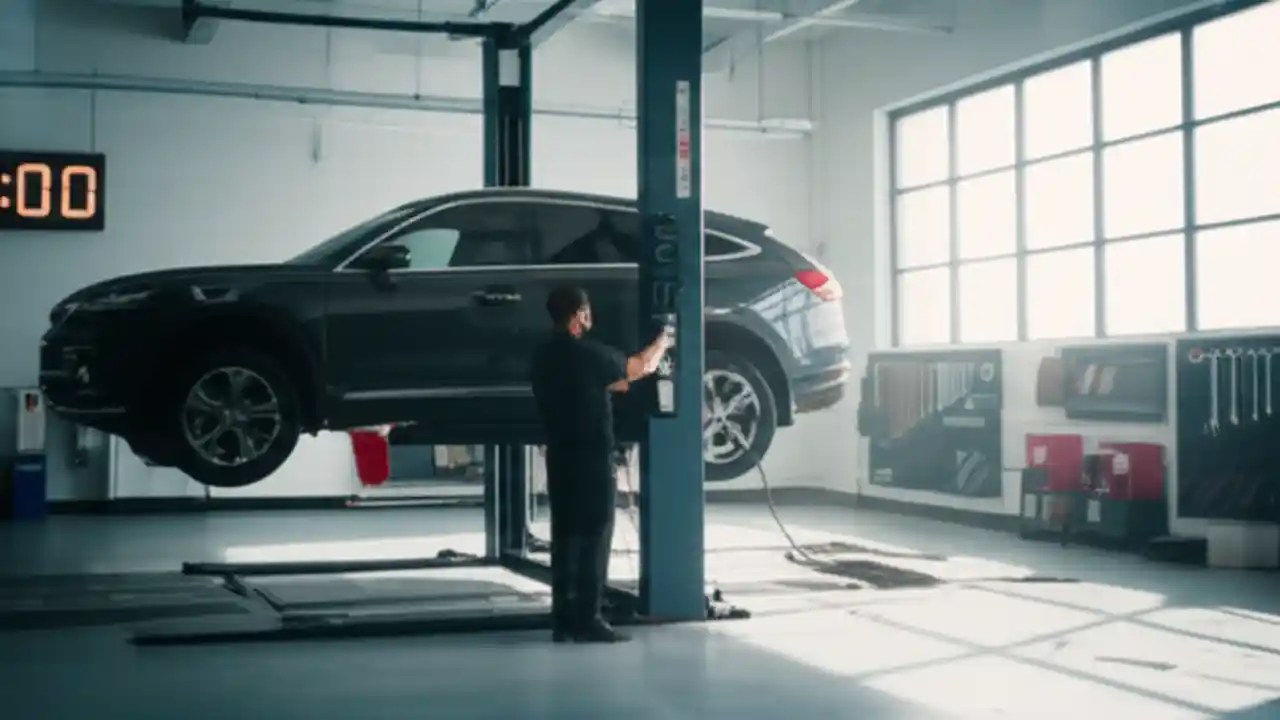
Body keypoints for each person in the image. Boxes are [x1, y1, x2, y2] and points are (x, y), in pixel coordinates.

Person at [530, 285, 672, 644]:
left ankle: (563, 619)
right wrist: (666, 340)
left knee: (565, 535)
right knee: (595, 534)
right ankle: (588, 619)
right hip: (591, 457)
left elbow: (614, 383)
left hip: (559, 456)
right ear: (579, 315)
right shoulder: (589, 354)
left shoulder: (543, 356)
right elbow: (640, 368)